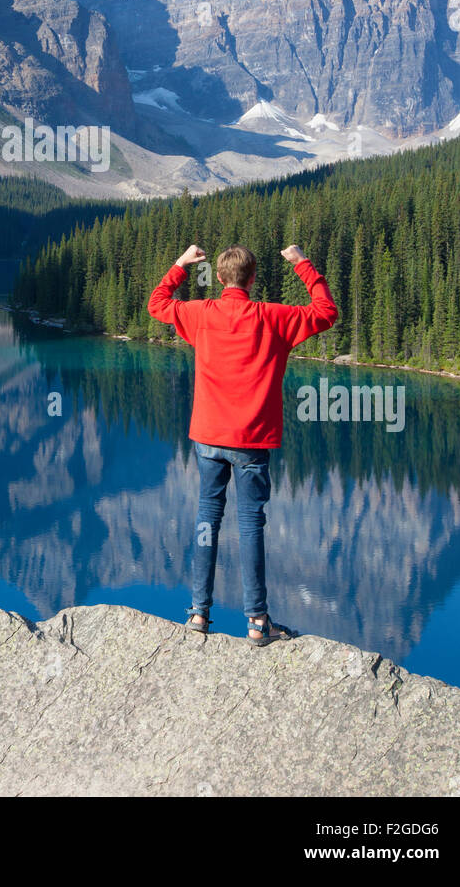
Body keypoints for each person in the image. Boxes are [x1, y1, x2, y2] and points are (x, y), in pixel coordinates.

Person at [147, 242, 338, 646]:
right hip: (251, 441)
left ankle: (198, 614)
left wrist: (181, 263)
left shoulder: (200, 313)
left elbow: (158, 303)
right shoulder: (272, 316)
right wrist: (303, 264)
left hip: (208, 439)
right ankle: (257, 622)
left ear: (219, 279)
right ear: (253, 280)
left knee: (207, 519)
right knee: (251, 525)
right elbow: (326, 312)